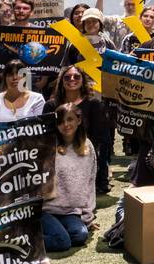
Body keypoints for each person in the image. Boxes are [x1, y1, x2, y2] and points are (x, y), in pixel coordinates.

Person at [41, 102, 96, 252]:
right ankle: (24, 241)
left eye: (70, 119)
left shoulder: (87, 146)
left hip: (70, 211)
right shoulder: (47, 145)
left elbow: (90, 182)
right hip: (46, 209)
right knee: (63, 242)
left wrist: (87, 215)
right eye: (60, 121)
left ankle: (52, 232)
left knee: (80, 236)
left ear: (78, 120)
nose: (65, 124)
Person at [47, 64, 111, 194]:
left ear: (82, 81)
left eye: (76, 76)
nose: (72, 79)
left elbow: (99, 139)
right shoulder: (50, 105)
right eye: (67, 77)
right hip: (59, 155)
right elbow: (48, 136)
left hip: (84, 154)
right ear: (61, 81)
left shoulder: (94, 104)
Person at [0, 59, 46, 124]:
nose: (15, 77)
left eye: (18, 74)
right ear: (5, 78)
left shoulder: (37, 99)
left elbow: (41, 126)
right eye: (10, 74)